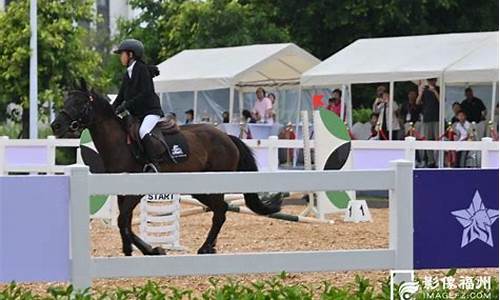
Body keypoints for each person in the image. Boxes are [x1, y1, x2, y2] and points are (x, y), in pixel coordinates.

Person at [112, 38, 164, 172]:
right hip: (138, 114)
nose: (120, 58)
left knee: (143, 131)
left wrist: (126, 105)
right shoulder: (127, 73)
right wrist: (111, 110)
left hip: (151, 111)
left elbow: (145, 93)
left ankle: (154, 164)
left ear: (130, 55)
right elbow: (120, 96)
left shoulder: (142, 69)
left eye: (122, 54)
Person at [416, 78, 440, 167]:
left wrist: (434, 92)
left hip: (437, 118)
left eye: (432, 80)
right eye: (429, 80)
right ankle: (431, 160)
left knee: (438, 139)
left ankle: (438, 159)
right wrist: (421, 92)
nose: (431, 82)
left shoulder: (438, 89)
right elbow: (417, 102)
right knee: (428, 139)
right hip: (426, 118)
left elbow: (442, 101)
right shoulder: (425, 90)